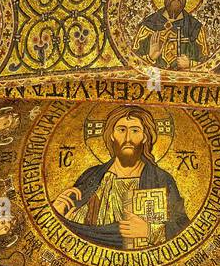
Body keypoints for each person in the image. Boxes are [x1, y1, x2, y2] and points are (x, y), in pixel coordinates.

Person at [50, 105, 188, 250]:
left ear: (145, 137)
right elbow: (74, 228)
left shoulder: (161, 179)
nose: (128, 138)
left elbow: (182, 228)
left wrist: (150, 232)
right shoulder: (92, 177)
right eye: (121, 130)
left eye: (135, 130)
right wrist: (57, 214)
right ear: (111, 135)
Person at [134, 0, 203, 69]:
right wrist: (150, 58)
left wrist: (191, 65)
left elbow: (207, 63)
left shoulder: (195, 29)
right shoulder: (148, 26)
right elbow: (132, 64)